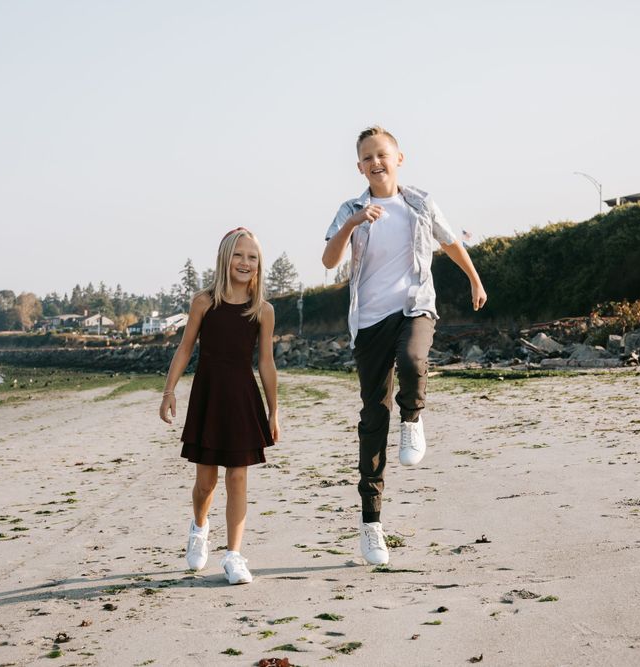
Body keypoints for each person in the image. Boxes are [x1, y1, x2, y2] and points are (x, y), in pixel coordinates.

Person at [321, 126, 487, 566]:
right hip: (369, 322)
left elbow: (449, 241)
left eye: (383, 154)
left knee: (414, 360)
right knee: (373, 419)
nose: (376, 162)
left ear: (399, 158)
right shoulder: (351, 208)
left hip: (414, 306)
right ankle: (371, 524)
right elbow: (329, 259)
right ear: (359, 167)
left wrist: (473, 277)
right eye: (367, 158)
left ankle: (412, 418)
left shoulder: (419, 202)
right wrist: (355, 222)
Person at [159, 227, 280, 585]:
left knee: (239, 477)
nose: (245, 262)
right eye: (239, 255)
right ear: (225, 259)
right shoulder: (204, 303)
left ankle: (234, 556)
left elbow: (267, 364)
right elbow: (185, 349)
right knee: (206, 481)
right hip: (208, 395)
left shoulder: (263, 310)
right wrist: (169, 391)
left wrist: (275, 410)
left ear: (259, 265)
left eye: (252, 257)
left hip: (242, 397)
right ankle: (199, 528)